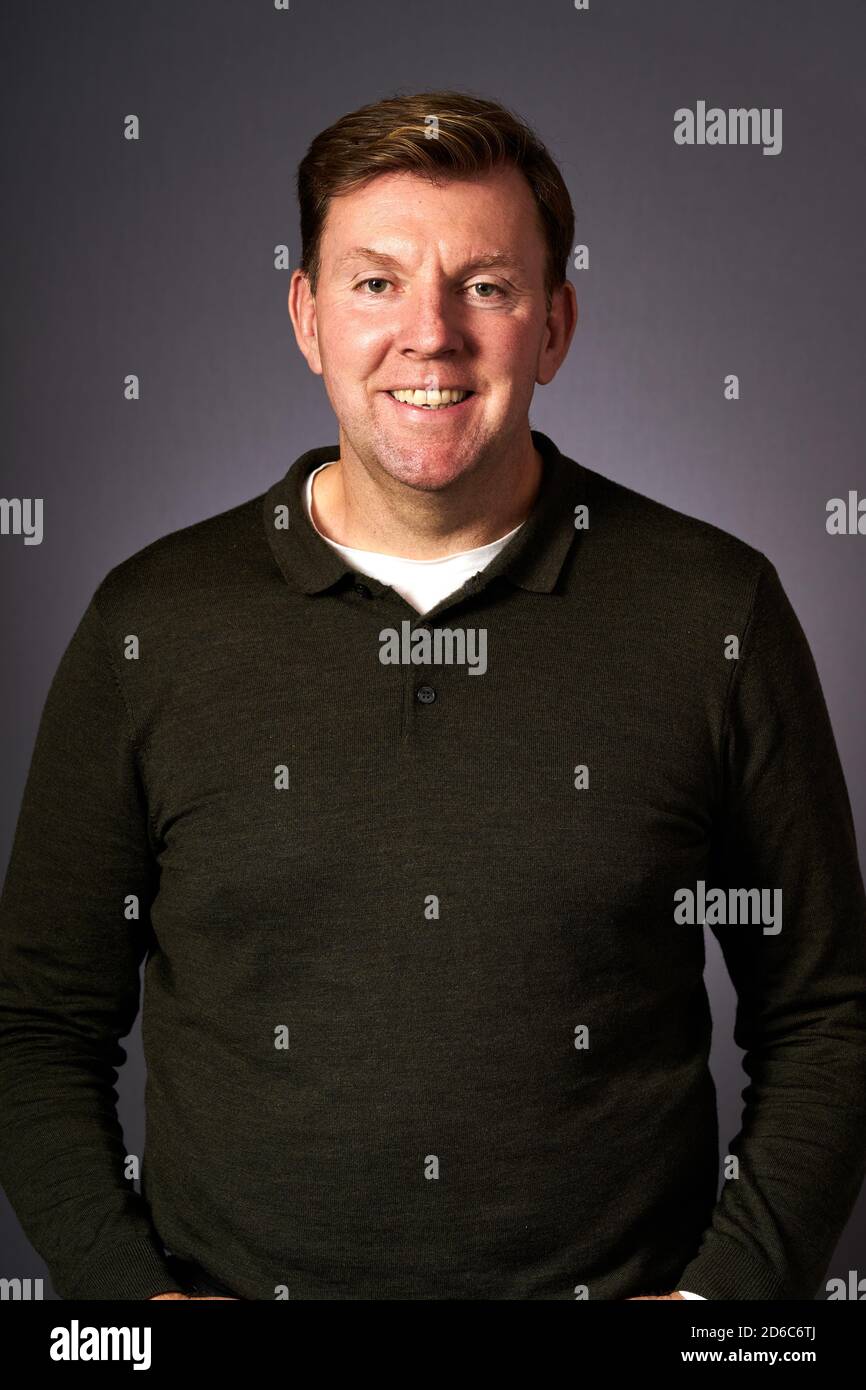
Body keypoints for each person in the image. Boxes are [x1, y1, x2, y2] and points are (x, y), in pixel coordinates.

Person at [1, 90, 865, 1302]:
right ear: (306, 316)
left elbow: (829, 1016)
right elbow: (37, 1027)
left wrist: (716, 1314)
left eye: (486, 287)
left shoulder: (713, 611)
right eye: (373, 284)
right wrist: (130, 1308)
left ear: (553, 325)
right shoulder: (149, 623)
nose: (430, 335)